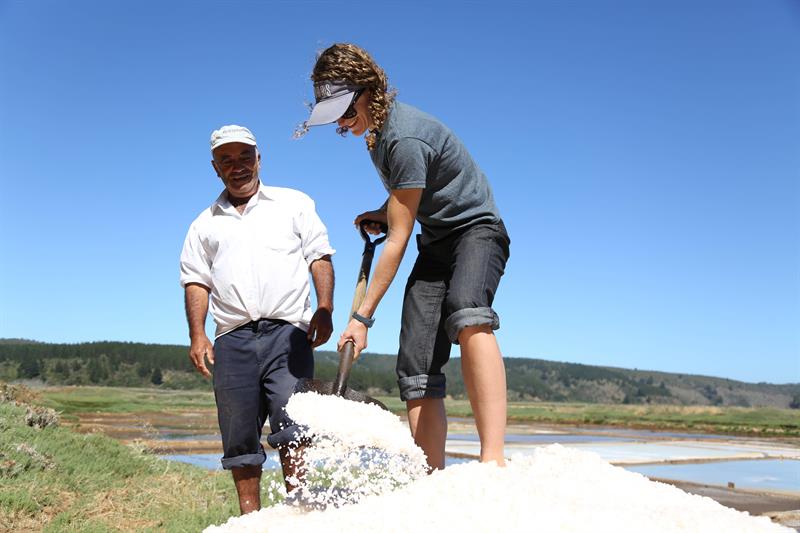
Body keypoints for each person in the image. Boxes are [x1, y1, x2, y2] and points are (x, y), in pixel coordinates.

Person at [299, 44, 510, 470]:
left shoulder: (404, 137)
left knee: (467, 312)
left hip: (476, 232)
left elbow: (398, 238)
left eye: (345, 110)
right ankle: (430, 474)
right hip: (436, 241)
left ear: (367, 91)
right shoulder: (377, 135)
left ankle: (493, 463)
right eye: (334, 115)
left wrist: (361, 318)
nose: (341, 122)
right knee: (415, 359)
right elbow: (406, 199)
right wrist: (384, 211)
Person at [179, 125, 335, 514]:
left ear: (259, 158)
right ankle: (251, 519)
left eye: (245, 157)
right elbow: (196, 280)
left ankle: (299, 511)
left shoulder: (294, 203)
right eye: (227, 160)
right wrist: (197, 334)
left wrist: (325, 307)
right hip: (232, 339)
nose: (238, 167)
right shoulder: (204, 224)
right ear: (215, 168)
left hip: (289, 333)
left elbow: (319, 255)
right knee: (238, 432)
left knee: (295, 423)